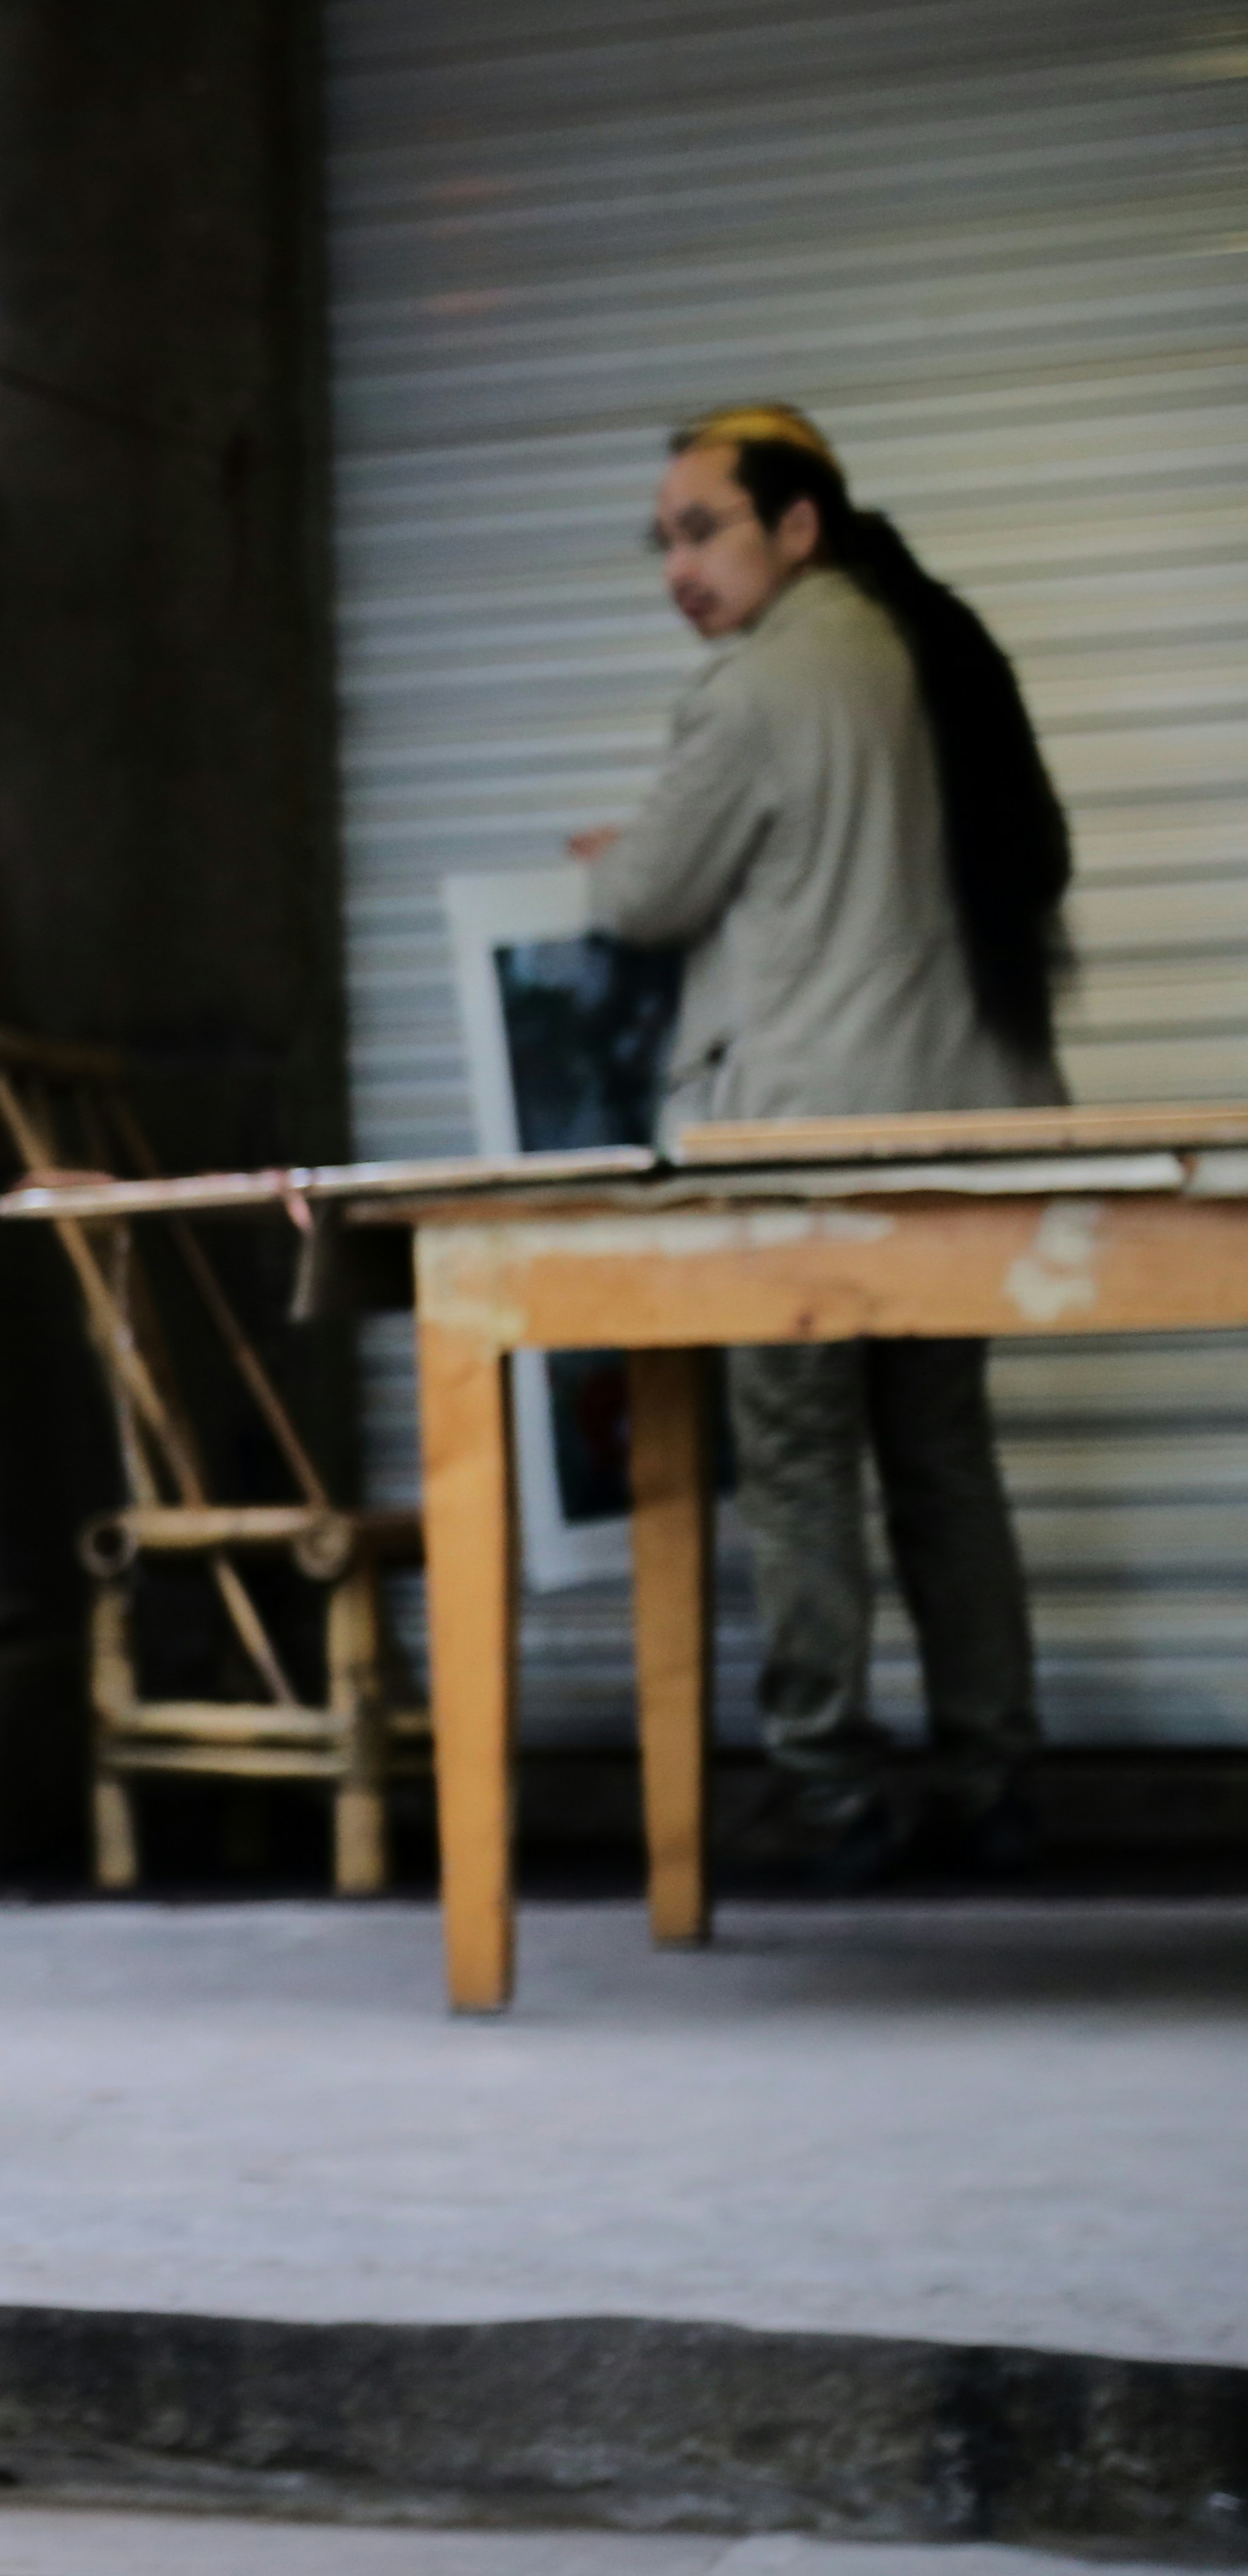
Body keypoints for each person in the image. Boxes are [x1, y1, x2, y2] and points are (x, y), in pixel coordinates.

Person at [570, 402, 1071, 1884]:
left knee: (796, 1455)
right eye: (662, 540)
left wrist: (619, 858)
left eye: (703, 529)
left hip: (807, 1143)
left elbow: (640, 905)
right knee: (939, 1453)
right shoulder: (936, 650)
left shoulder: (760, 687)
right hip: (962, 1139)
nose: (679, 568)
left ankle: (827, 1785)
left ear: (798, 528)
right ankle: (993, 1774)